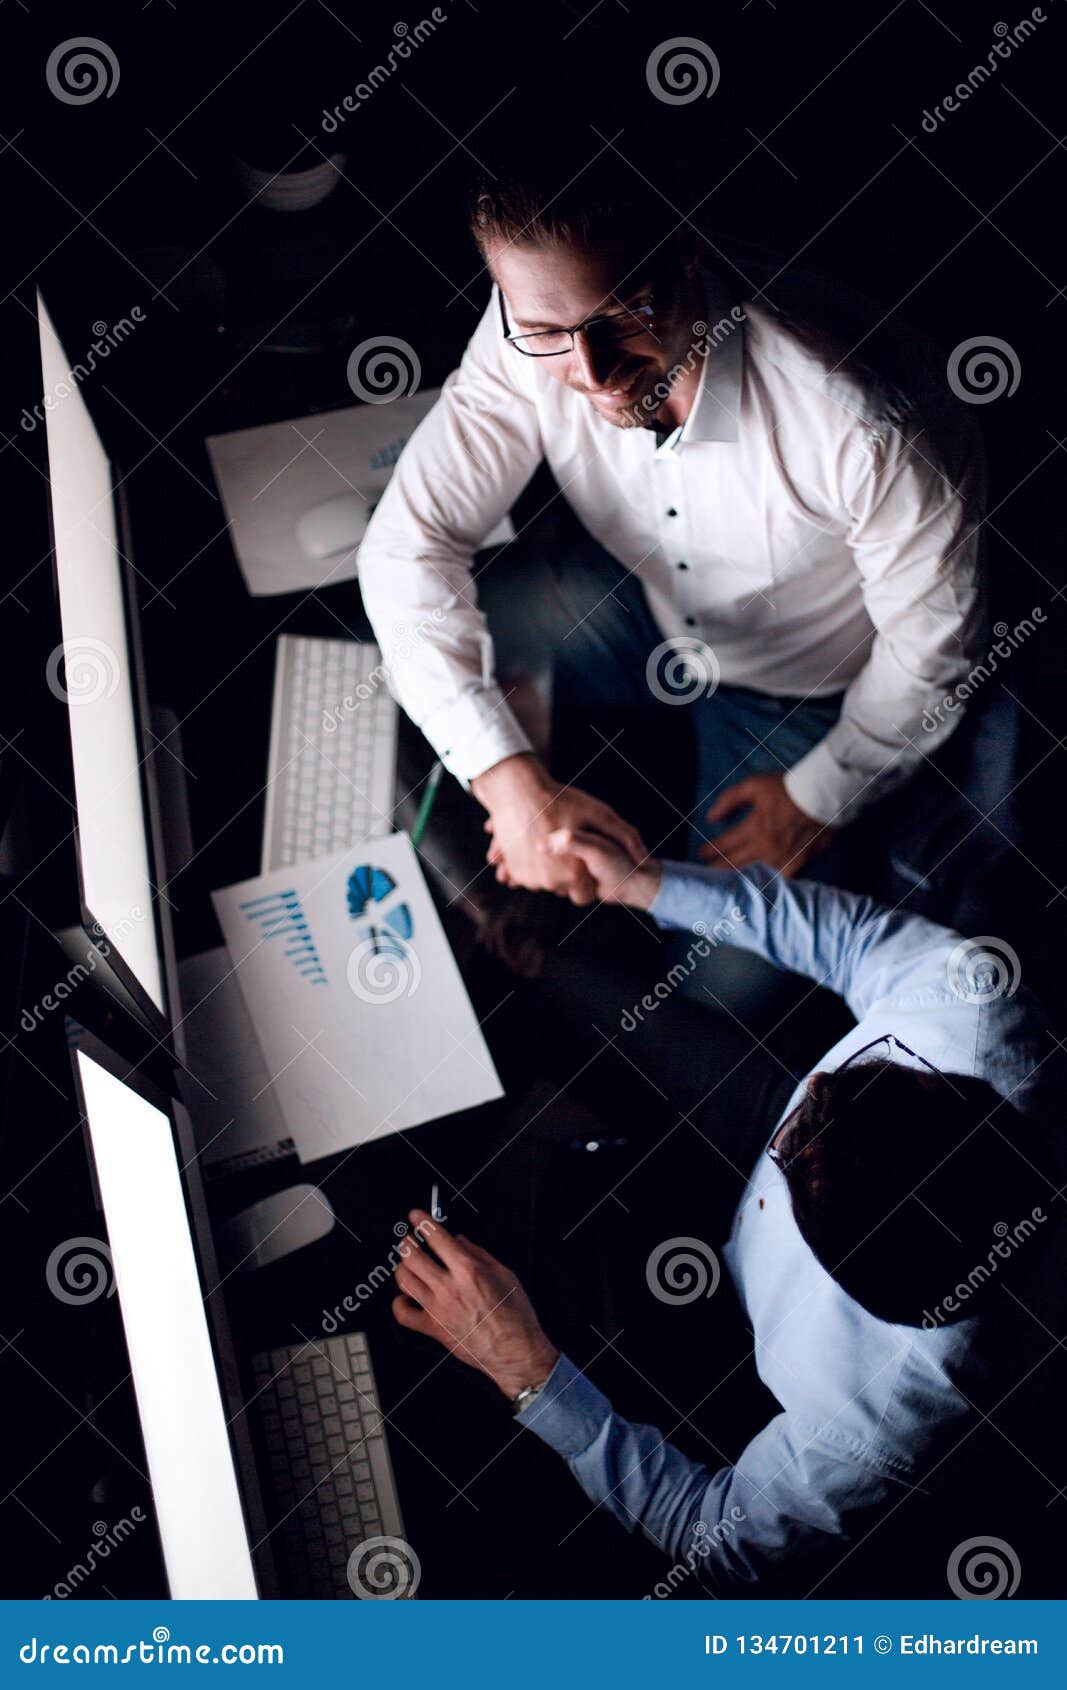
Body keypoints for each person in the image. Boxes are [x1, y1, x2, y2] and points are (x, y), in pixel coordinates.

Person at [391, 831, 1057, 1594]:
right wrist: (648, 884)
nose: (785, 1143)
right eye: (849, 1084)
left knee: (458, 1402)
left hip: (723, 1352)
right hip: (769, 1121)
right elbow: (853, 939)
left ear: (866, 1293)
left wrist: (526, 1370)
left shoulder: (879, 1425)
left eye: (799, 1176)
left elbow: (712, 1537)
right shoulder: (970, 1013)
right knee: (538, 971)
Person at [358, 116, 986, 917]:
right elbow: (407, 546)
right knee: (363, 664)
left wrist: (819, 796)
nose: (590, 374)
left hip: (803, 692)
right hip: (638, 610)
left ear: (686, 252)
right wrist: (508, 785)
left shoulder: (870, 424)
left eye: (619, 315)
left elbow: (932, 651)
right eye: (545, 332)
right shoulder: (530, 324)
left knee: (721, 993)